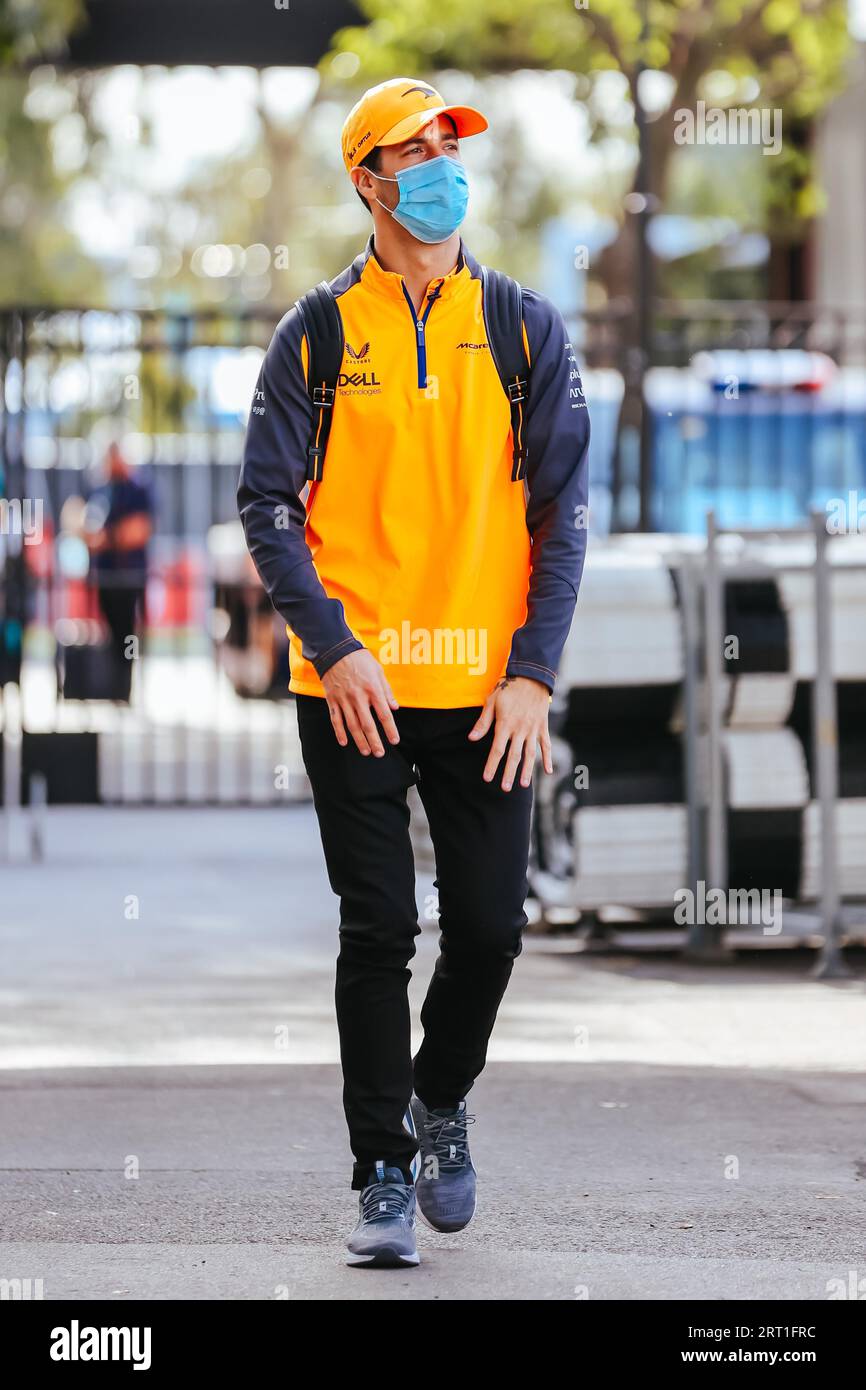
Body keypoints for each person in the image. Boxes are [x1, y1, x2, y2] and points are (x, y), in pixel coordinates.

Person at [238, 77, 590, 1268]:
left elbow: (561, 515)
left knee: (489, 926)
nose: (443, 162)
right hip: (355, 690)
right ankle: (382, 1168)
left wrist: (533, 674)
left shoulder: (527, 330)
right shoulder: (319, 334)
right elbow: (267, 505)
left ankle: (440, 1102)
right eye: (418, 148)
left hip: (489, 695)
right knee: (378, 924)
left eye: (453, 144)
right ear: (368, 179)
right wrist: (331, 649)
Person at [84, 442, 153, 696]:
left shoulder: (137, 489)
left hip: (128, 576)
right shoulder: (101, 489)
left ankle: (124, 688)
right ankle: (112, 686)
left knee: (127, 632)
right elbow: (86, 525)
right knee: (110, 632)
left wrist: (108, 538)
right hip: (105, 574)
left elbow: (139, 529)